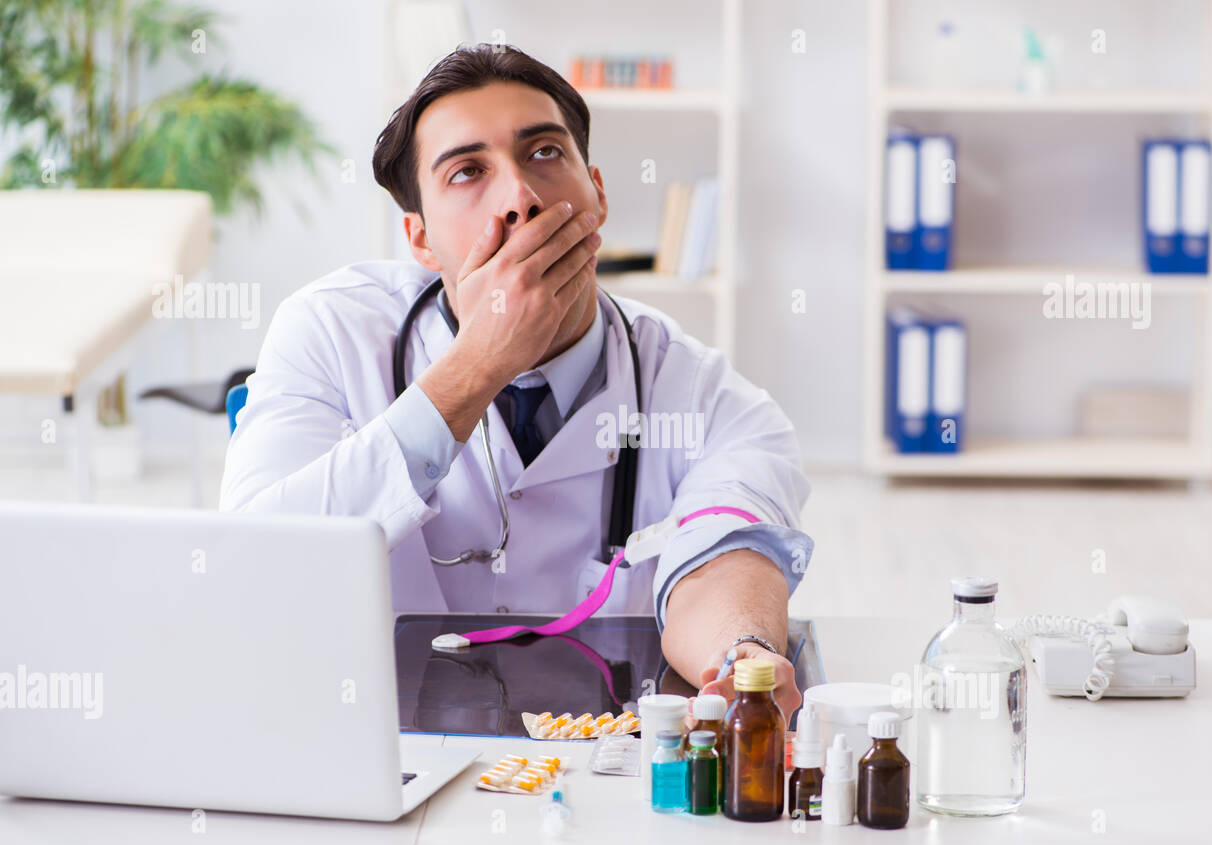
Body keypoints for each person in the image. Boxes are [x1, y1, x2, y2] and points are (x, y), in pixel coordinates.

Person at [219, 43, 814, 718]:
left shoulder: (706, 395)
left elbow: (725, 555)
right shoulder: (329, 332)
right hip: (381, 753)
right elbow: (254, 562)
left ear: (597, 195)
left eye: (544, 154)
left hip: (594, 772)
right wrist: (478, 366)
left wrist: (742, 657)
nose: (522, 198)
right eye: (468, 171)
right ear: (419, 239)